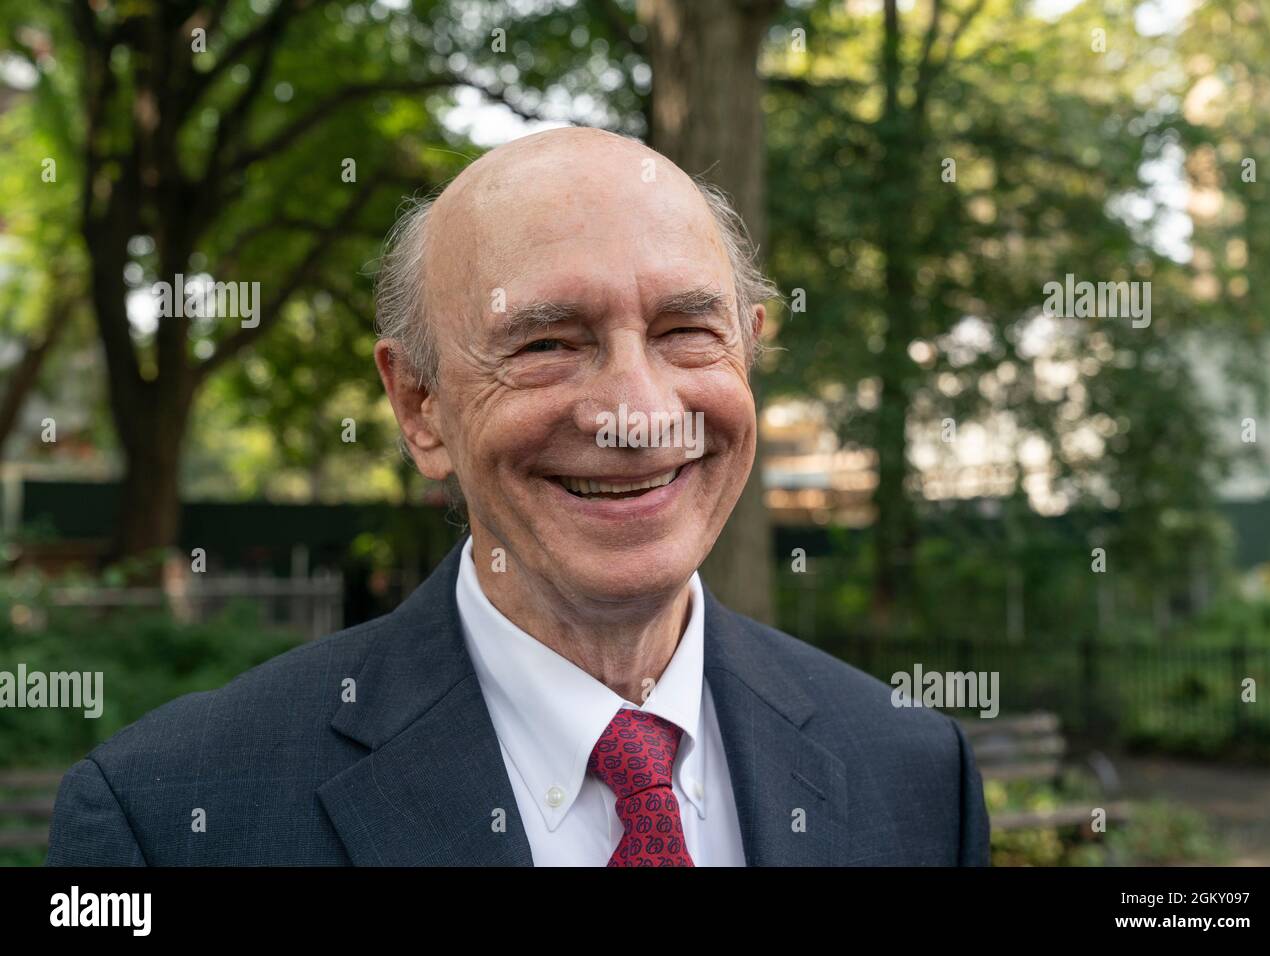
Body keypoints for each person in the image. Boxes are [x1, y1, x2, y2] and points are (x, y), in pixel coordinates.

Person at [47, 128, 989, 866]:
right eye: (548, 344)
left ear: (747, 349)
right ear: (420, 404)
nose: (638, 415)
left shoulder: (914, 777)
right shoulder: (169, 819)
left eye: (686, 332)